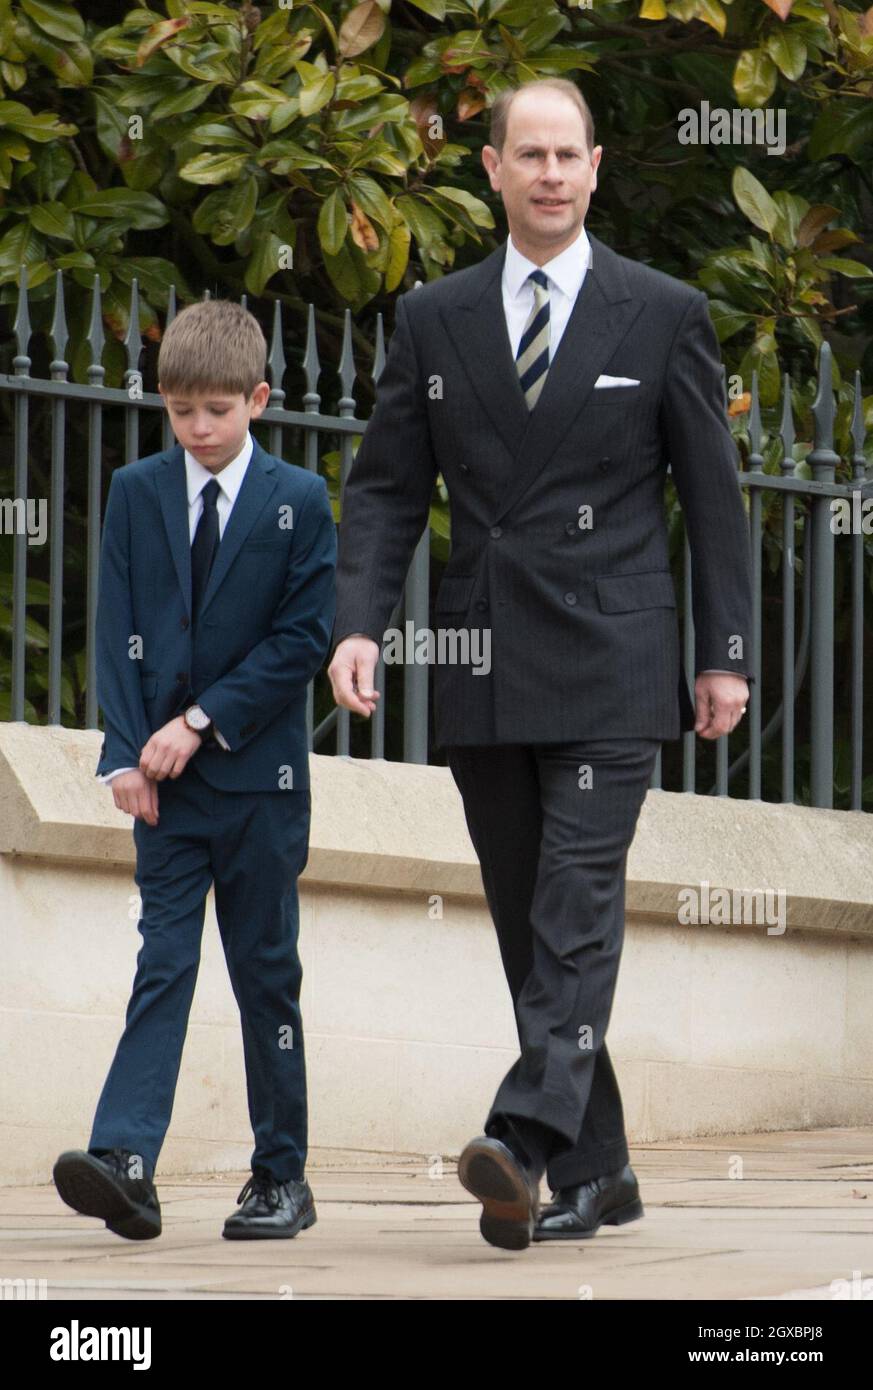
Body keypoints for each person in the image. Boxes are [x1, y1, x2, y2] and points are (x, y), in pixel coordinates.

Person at [328, 79, 752, 1251]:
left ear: (598, 168)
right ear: (495, 170)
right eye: (532, 154)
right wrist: (357, 622)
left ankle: (522, 1138)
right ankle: (601, 1171)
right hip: (484, 661)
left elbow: (715, 500)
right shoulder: (435, 317)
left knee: (574, 905)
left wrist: (724, 656)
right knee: (527, 921)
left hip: (617, 660)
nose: (552, 173)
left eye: (570, 155)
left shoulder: (662, 312)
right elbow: (384, 487)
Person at [53, 299, 336, 1241]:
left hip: (260, 788)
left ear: (257, 398)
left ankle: (279, 1178)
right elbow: (114, 630)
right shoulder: (135, 491)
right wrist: (124, 755)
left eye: (216, 409)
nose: (199, 429)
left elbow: (300, 640)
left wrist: (200, 724)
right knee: (162, 962)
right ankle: (126, 1158)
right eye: (181, 412)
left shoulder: (299, 498)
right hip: (161, 790)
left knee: (265, 977)